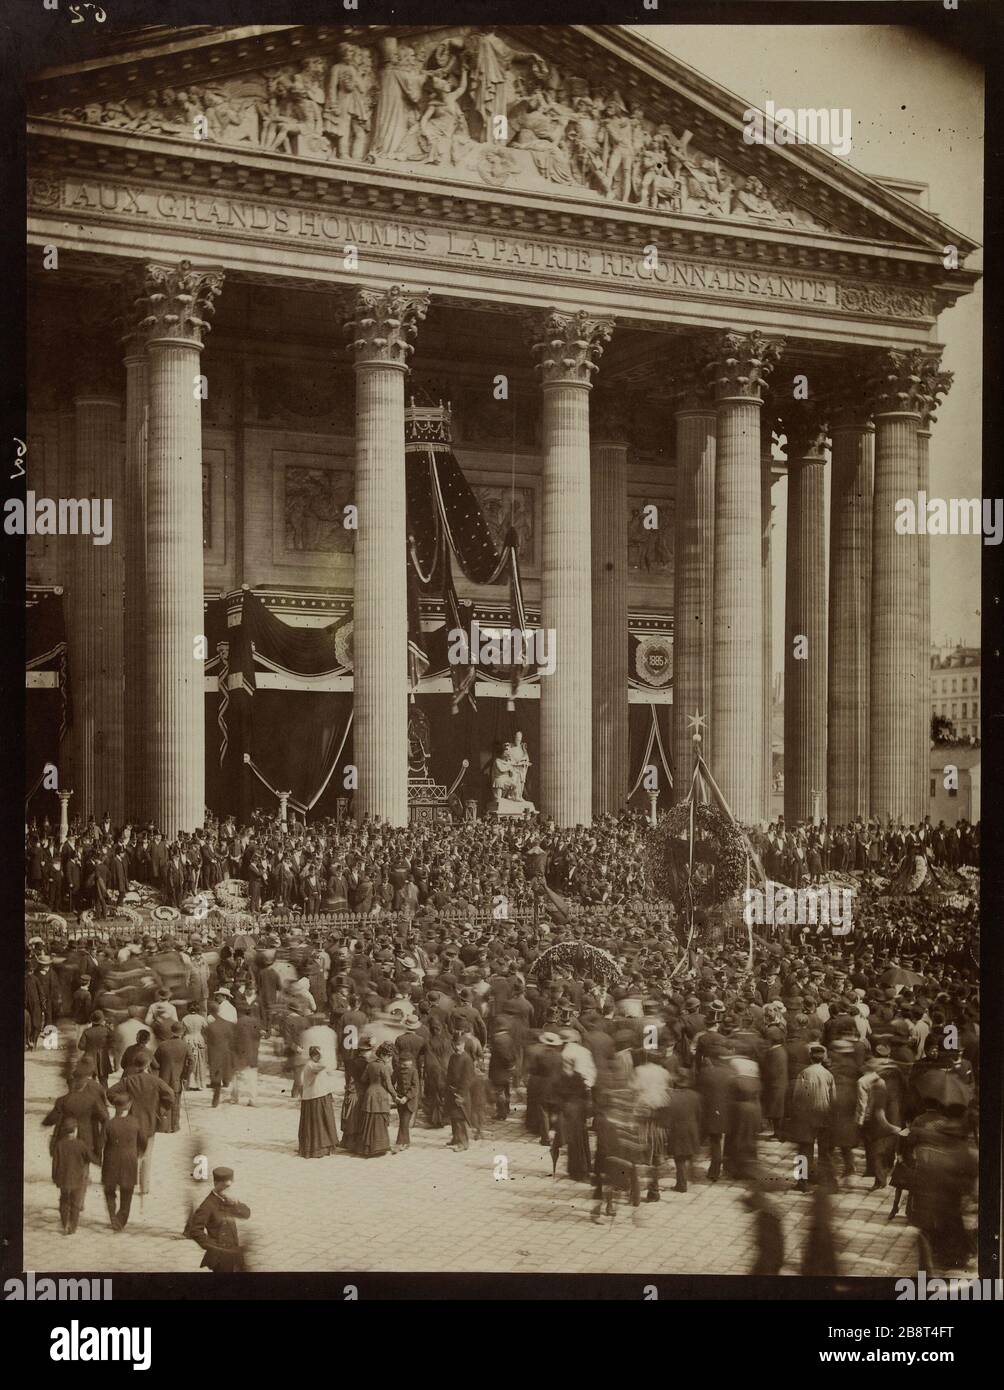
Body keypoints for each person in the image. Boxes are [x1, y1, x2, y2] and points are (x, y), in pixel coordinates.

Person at [123, 1059, 174, 1196]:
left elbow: (111, 1092)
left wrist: (123, 1105)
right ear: (147, 1065)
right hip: (150, 1122)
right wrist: (162, 1109)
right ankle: (144, 1188)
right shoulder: (155, 1081)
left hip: (133, 1120)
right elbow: (170, 1094)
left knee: (134, 1153)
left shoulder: (129, 1080)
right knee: (147, 1155)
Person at [184, 1167, 251, 1272]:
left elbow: (247, 1214)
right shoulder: (207, 1205)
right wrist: (214, 1247)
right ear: (216, 1183)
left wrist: (236, 1204)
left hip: (235, 1253)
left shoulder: (229, 1199)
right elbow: (195, 1230)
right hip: (220, 1258)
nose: (228, 1189)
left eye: (229, 1186)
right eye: (225, 1186)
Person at [101, 1088, 143, 1232]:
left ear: (115, 1107)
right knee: (127, 1191)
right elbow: (143, 1142)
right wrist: (138, 1154)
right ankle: (121, 1219)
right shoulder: (136, 1123)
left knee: (109, 1190)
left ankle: (113, 1216)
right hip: (129, 1161)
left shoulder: (108, 1124)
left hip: (111, 1161)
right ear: (129, 1105)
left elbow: (101, 1143)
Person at [298, 1046, 340, 1157]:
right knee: (318, 1123)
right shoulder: (311, 1065)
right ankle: (317, 1148)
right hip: (314, 1098)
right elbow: (325, 1065)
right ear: (314, 1056)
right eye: (318, 1055)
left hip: (319, 1095)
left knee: (322, 1122)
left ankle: (324, 1147)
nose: (319, 1057)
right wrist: (323, 1056)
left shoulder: (313, 1064)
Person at [51, 1119, 91, 1236]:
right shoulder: (81, 1144)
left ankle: (64, 1224)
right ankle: (72, 1227)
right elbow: (89, 1157)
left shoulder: (59, 1145)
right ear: (76, 1130)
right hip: (78, 1179)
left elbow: (55, 1164)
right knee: (75, 1203)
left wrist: (55, 1177)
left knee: (64, 1200)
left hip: (63, 1179)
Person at [154, 1023, 192, 1133]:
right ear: (182, 1032)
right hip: (178, 1079)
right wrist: (186, 1075)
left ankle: (163, 1126)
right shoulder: (185, 1045)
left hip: (163, 1078)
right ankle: (175, 1127)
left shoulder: (163, 1045)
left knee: (164, 1101)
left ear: (171, 1030)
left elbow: (155, 1062)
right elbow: (191, 1062)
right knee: (176, 1101)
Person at [446, 1034, 476, 1152]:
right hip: (451, 1091)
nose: (457, 1047)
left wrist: (461, 1095)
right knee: (453, 1118)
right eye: (455, 1045)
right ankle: (455, 1138)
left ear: (464, 1045)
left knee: (460, 1119)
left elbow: (467, 1079)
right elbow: (449, 1074)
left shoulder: (467, 1059)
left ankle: (463, 1143)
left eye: (460, 1045)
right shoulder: (453, 1057)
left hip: (461, 1094)